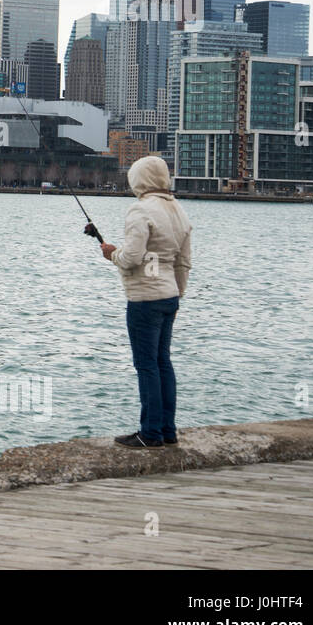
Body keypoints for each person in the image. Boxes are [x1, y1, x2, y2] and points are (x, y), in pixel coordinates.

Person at [98, 155, 192, 449]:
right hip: (169, 297)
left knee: (146, 364)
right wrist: (178, 294)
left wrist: (111, 254)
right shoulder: (178, 210)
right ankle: (167, 430)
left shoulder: (140, 210)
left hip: (144, 299)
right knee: (163, 362)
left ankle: (150, 432)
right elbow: (184, 262)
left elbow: (132, 259)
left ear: (139, 180)